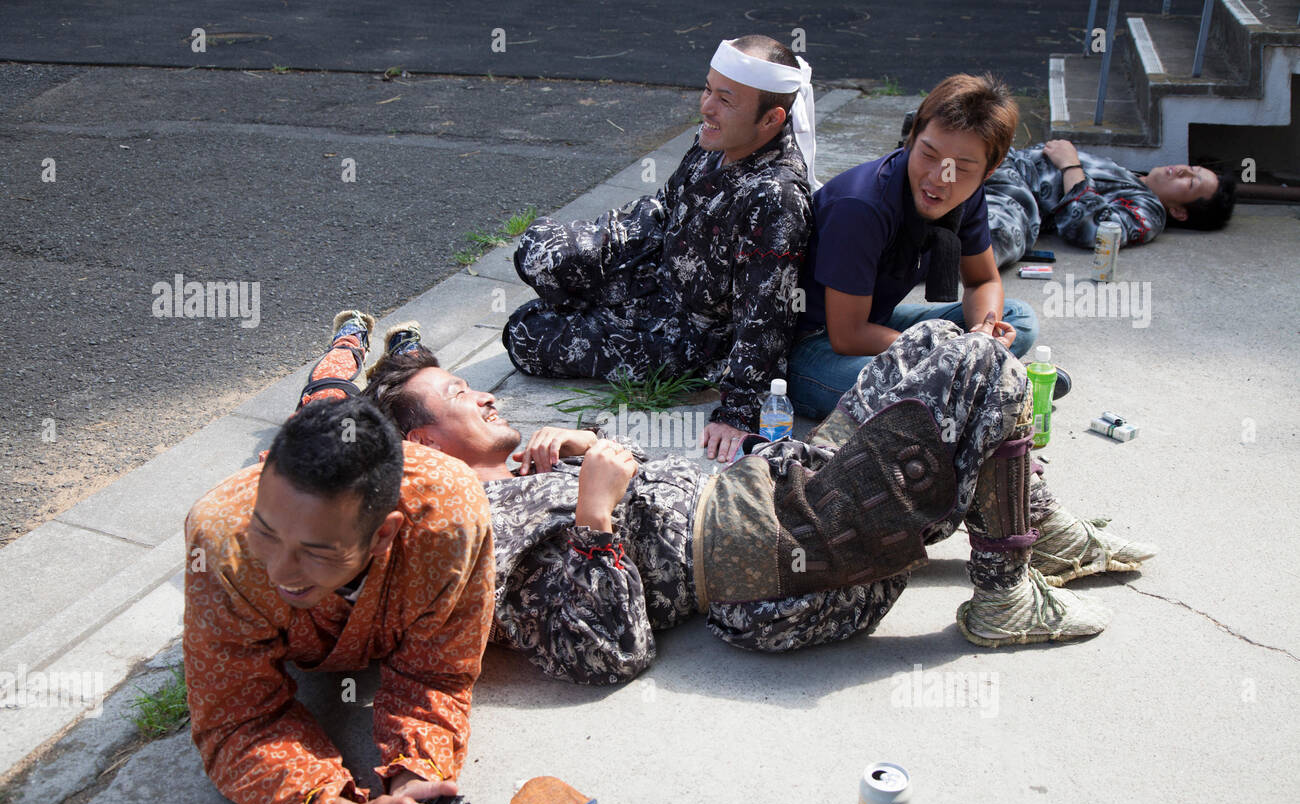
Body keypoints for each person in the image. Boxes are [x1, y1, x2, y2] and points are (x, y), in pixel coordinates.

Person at [348, 317, 1156, 686]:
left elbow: (625, 493)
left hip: (769, 493)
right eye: (459, 394)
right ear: (422, 447)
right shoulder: (473, 529)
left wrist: (581, 454)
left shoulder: (516, 477)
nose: (485, 398)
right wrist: (594, 512)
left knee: (934, 346)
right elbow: (603, 654)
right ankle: (1006, 596)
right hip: (767, 564)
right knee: (982, 372)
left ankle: (1035, 534)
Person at [182, 312, 495, 804]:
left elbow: (436, 674)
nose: (281, 570)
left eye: (317, 551)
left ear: (384, 537)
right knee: (326, 394)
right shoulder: (223, 541)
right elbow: (236, 720)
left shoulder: (451, 517)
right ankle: (348, 338)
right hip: (323, 428)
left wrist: (412, 787)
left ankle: (395, 347)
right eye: (267, 534)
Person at [502, 34, 817, 464]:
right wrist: (596, 248)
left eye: (726, 99)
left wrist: (740, 409)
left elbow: (766, 314)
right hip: (652, 276)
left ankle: (589, 311)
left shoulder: (774, 196)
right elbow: (664, 208)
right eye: (708, 89)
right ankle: (588, 298)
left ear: (771, 119)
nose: (707, 107)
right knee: (541, 254)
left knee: (525, 333)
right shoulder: (716, 141)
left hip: (688, 336)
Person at [787, 73, 1039, 423]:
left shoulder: (966, 197)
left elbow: (983, 282)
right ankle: (987, 387)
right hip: (812, 348)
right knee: (905, 386)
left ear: (989, 170)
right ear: (911, 137)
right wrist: (951, 350)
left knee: (1016, 318)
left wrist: (983, 334)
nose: (939, 178)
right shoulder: (860, 206)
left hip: (877, 322)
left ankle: (973, 385)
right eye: (929, 154)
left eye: (962, 168)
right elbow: (847, 335)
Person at [985, 139, 1236, 269]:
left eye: (1191, 183)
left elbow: (1092, 230)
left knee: (987, 238)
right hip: (1002, 158)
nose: (1183, 171)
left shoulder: (1149, 212)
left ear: (1179, 211)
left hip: (1014, 197)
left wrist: (1070, 165)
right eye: (1191, 168)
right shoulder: (1131, 176)